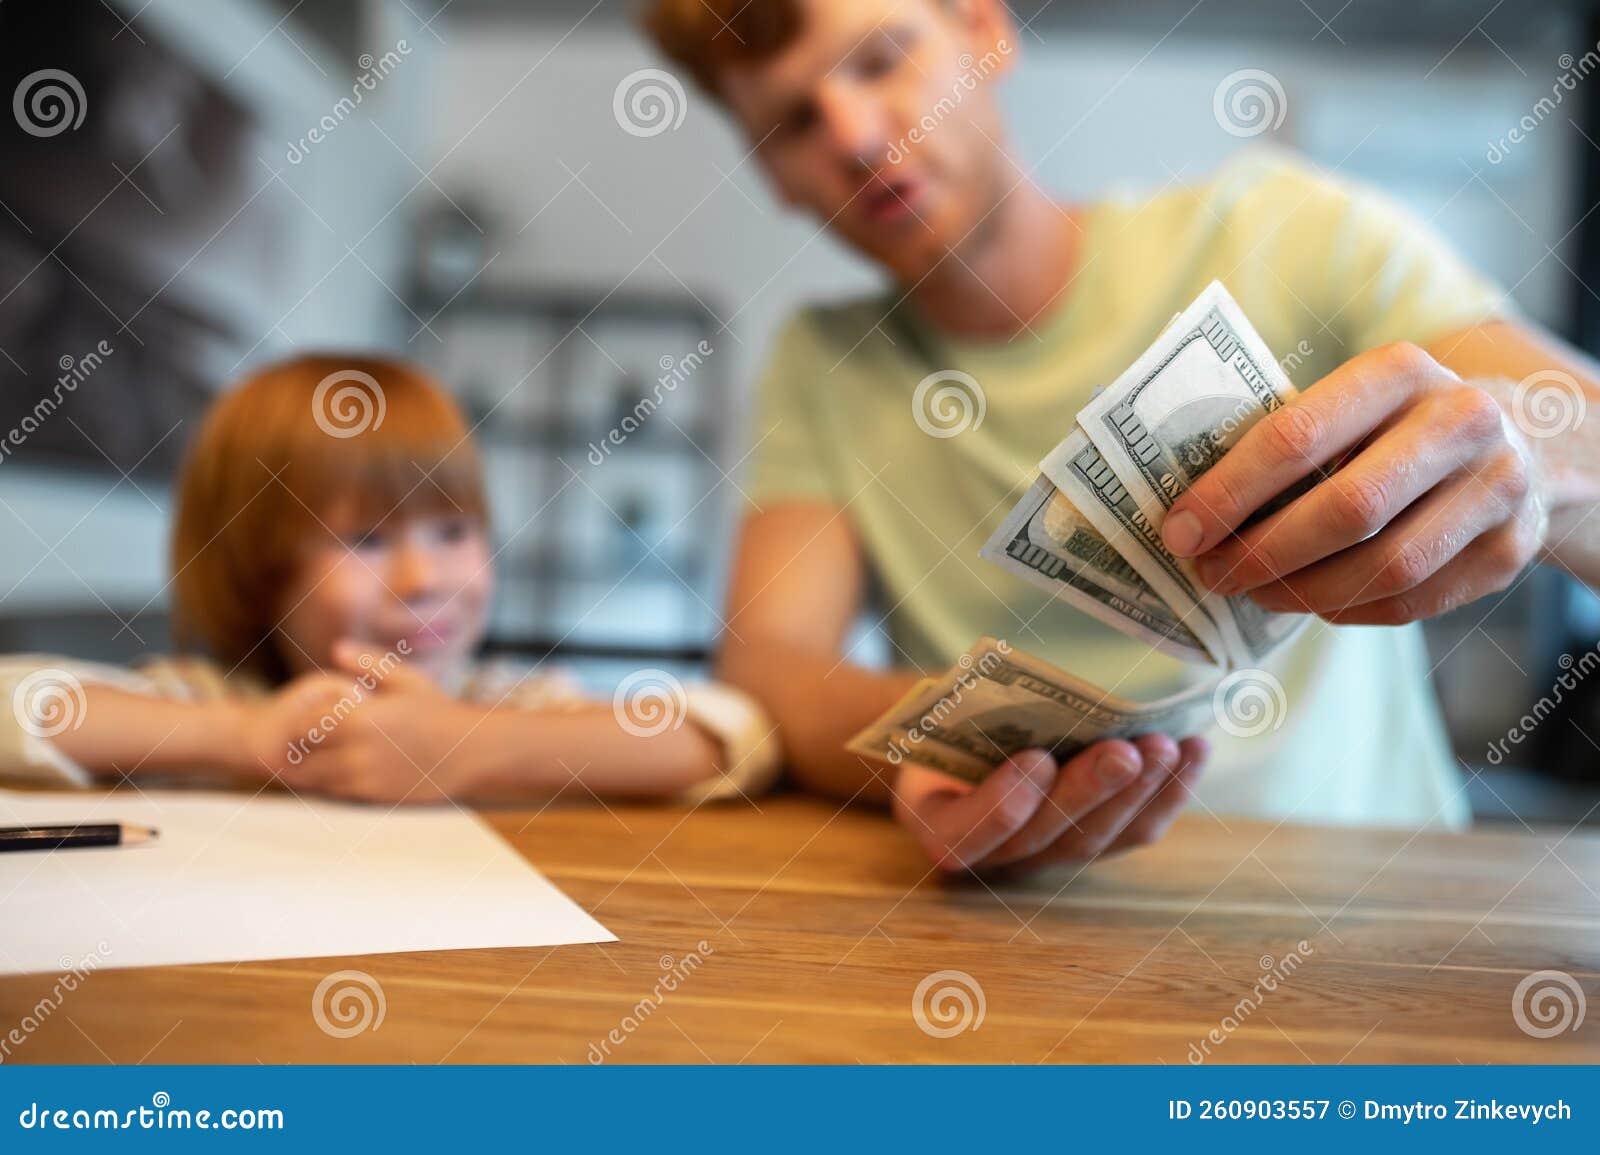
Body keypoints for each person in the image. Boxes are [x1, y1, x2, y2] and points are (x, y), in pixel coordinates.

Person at [641, 0, 1600, 873]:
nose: (854, 137)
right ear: (769, 175)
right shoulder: (824, 363)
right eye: (792, 122)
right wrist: (941, 748)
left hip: (1373, 915)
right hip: (1034, 928)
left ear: (985, 31)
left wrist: (1529, 466)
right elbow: (770, 669)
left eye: (882, 59)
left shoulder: (1290, 232)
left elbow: (1576, 428)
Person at [0, 354, 779, 805]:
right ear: (258, 571)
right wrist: (243, 739)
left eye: (453, 531)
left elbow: (731, 731)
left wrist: (468, 747)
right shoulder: (211, 698)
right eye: (366, 539)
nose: (424, 577)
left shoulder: (504, 701)